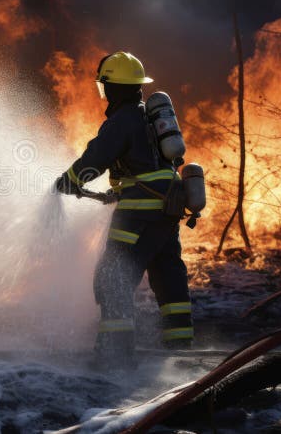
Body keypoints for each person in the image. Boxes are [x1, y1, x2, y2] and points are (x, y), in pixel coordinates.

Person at [55, 51, 193, 368]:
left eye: (105, 87)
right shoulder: (151, 120)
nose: (103, 93)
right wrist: (112, 194)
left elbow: (97, 156)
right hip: (168, 208)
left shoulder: (123, 120)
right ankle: (181, 342)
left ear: (114, 88)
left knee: (112, 275)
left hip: (137, 212)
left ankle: (115, 350)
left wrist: (71, 180)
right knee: (167, 271)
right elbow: (149, 169)